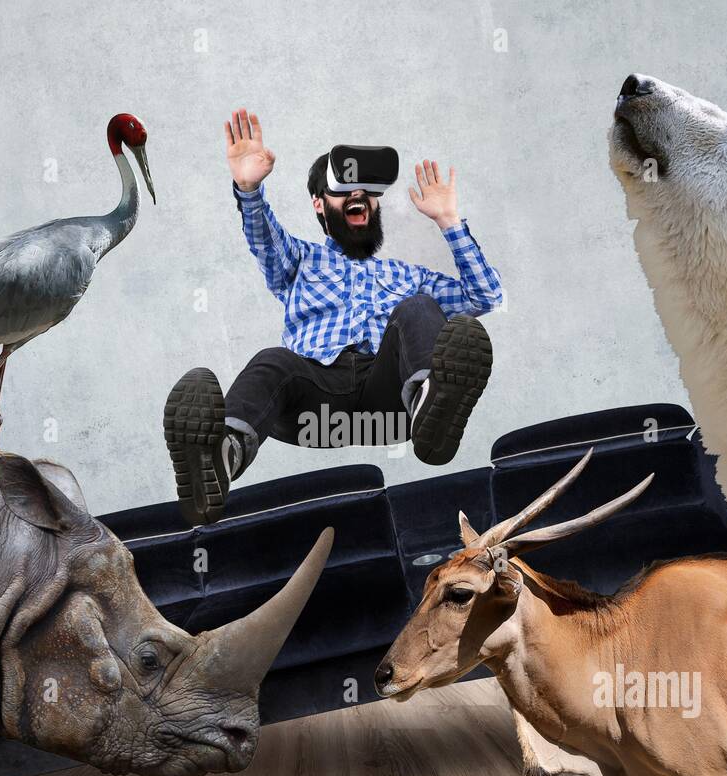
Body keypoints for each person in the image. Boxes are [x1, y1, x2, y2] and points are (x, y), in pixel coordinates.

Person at [164, 108, 505, 526]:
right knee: (273, 361)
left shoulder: (406, 275)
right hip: (315, 409)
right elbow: (265, 241)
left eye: (366, 188)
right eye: (343, 188)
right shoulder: (299, 260)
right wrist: (248, 190)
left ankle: (430, 407)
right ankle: (219, 459)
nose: (357, 194)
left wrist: (449, 221)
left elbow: (485, 296)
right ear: (320, 204)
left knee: (419, 308)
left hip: (390, 407)